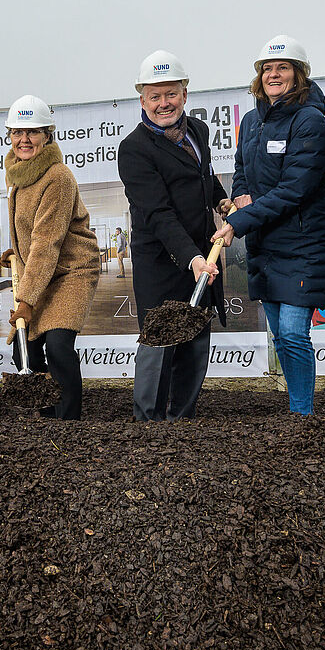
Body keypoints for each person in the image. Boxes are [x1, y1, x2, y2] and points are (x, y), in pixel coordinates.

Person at [210, 35, 325, 416]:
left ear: (298, 74)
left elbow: (294, 190)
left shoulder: (311, 122)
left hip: (305, 242)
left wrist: (239, 221)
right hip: (266, 242)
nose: (274, 74)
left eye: (282, 67)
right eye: (267, 69)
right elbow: (241, 169)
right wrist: (242, 195)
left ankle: (303, 415)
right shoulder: (251, 121)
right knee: (281, 336)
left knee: (295, 332)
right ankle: (296, 403)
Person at [118, 50, 231, 421]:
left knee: (196, 340)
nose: (163, 103)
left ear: (184, 94)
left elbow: (204, 176)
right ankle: (148, 424)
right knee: (160, 342)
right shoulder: (133, 150)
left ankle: (182, 420)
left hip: (200, 255)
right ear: (142, 100)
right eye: (155, 96)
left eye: (171, 94)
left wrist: (221, 200)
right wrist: (193, 258)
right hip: (162, 263)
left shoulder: (197, 131)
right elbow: (158, 214)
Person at [0, 94, 101, 420]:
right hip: (40, 269)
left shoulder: (58, 176)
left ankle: (68, 423)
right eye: (17, 132)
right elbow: (31, 230)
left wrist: (26, 301)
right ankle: (48, 418)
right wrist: (17, 250)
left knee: (57, 347)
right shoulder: (17, 176)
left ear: (48, 135)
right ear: (10, 135)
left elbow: (47, 242)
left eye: (33, 132)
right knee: (23, 350)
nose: (24, 139)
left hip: (71, 270)